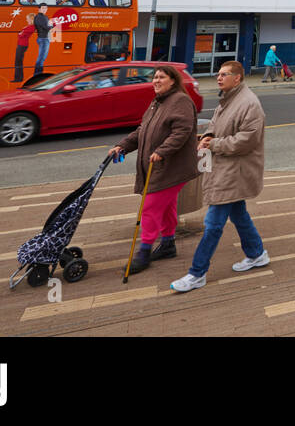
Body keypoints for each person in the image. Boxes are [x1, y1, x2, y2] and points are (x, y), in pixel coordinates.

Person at [170, 60, 270, 292]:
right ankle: (256, 254)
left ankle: (197, 273)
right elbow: (215, 123)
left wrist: (214, 143)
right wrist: (207, 135)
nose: (218, 77)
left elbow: (247, 140)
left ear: (238, 78)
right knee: (239, 215)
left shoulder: (249, 103)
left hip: (235, 171)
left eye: (224, 74)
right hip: (226, 168)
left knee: (213, 224)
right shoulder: (229, 99)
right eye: (218, 74)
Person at [109, 65, 199, 271]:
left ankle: (144, 252)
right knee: (165, 206)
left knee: (150, 207)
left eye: (161, 77)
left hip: (171, 166)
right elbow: (143, 130)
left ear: (173, 81)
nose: (156, 81)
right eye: (154, 77)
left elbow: (182, 131)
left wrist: (163, 150)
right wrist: (123, 146)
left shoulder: (180, 101)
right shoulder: (157, 102)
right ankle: (168, 244)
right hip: (157, 166)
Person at [14, 14, 35, 82]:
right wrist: (20, 33)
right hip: (21, 44)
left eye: (27, 18)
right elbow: (20, 34)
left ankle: (18, 78)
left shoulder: (31, 27)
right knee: (18, 62)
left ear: (31, 19)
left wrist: (21, 33)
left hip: (22, 45)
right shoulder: (29, 26)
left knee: (18, 61)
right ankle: (18, 78)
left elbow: (21, 35)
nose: (26, 20)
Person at [32, 4, 51, 74]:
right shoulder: (40, 17)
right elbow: (47, 27)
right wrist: (51, 25)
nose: (44, 10)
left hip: (43, 38)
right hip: (43, 39)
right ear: (39, 9)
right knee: (41, 59)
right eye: (43, 8)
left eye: (46, 8)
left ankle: (38, 73)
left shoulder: (42, 17)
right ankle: (37, 74)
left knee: (42, 58)